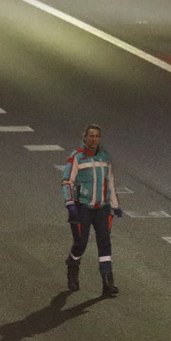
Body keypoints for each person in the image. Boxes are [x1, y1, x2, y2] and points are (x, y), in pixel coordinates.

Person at [62, 124, 123, 297]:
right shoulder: (77, 157)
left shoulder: (105, 157)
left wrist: (115, 206)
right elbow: (67, 182)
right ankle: (72, 266)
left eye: (97, 136)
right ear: (85, 138)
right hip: (82, 207)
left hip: (102, 208)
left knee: (104, 242)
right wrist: (70, 204)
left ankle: (107, 282)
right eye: (90, 136)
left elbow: (109, 182)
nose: (93, 139)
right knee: (80, 243)